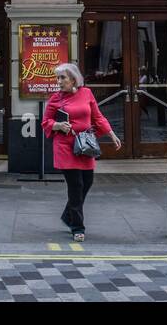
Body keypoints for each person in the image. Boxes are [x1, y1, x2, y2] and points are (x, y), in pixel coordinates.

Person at [42, 63, 122, 242]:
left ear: (73, 79)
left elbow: (97, 116)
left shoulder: (86, 93)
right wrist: (58, 125)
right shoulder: (55, 98)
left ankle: (67, 214)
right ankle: (77, 226)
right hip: (65, 146)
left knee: (88, 181)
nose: (59, 82)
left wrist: (111, 134)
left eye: (63, 78)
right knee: (76, 186)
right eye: (58, 78)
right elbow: (45, 122)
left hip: (85, 145)